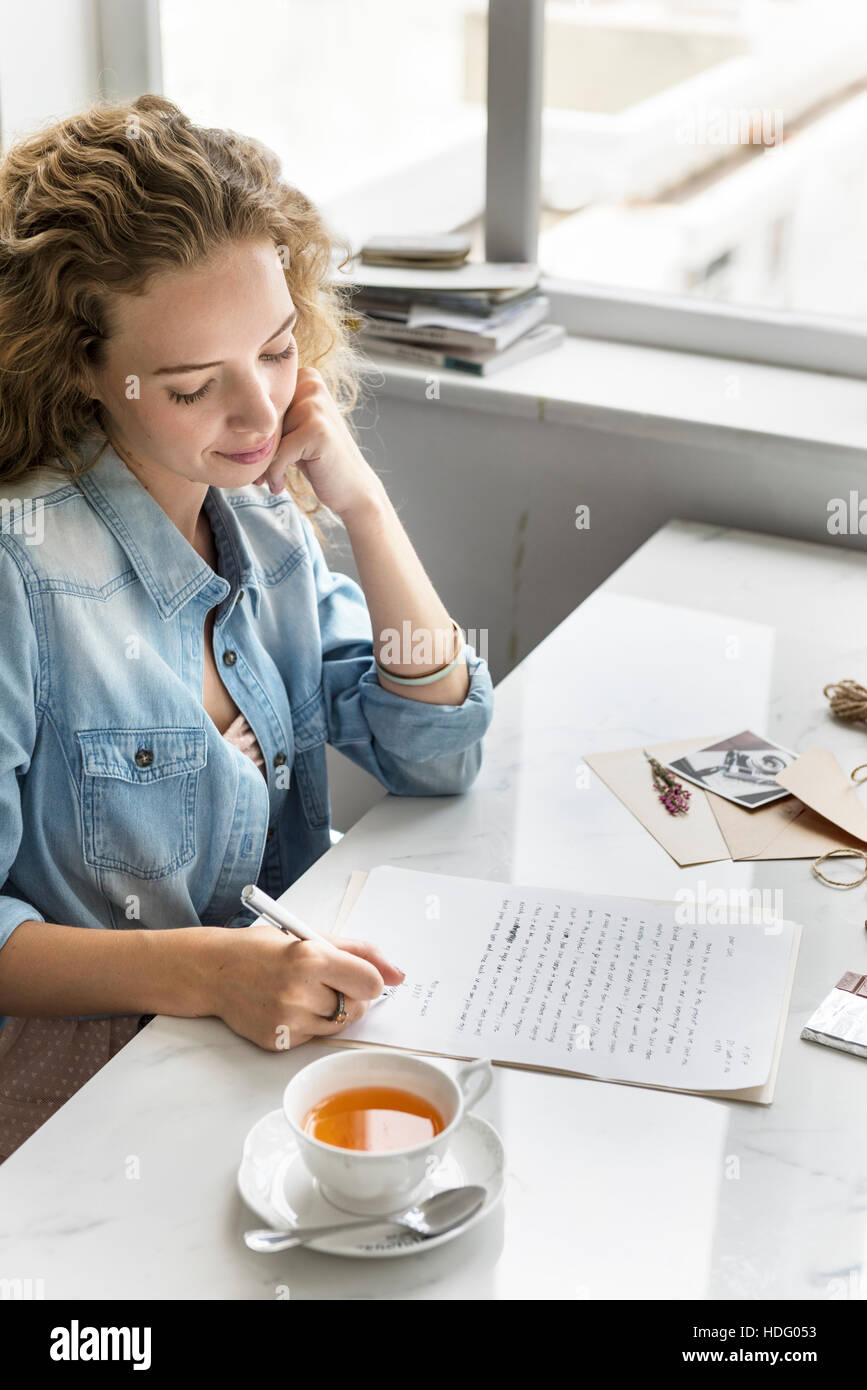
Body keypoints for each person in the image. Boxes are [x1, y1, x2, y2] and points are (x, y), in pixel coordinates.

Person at [0, 94, 494, 1161]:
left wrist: (362, 504)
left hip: (255, 1048)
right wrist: (212, 969)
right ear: (82, 367)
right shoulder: (18, 572)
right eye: (191, 385)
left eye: (276, 352)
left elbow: (436, 748)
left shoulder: (261, 514)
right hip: (81, 1099)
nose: (261, 414)